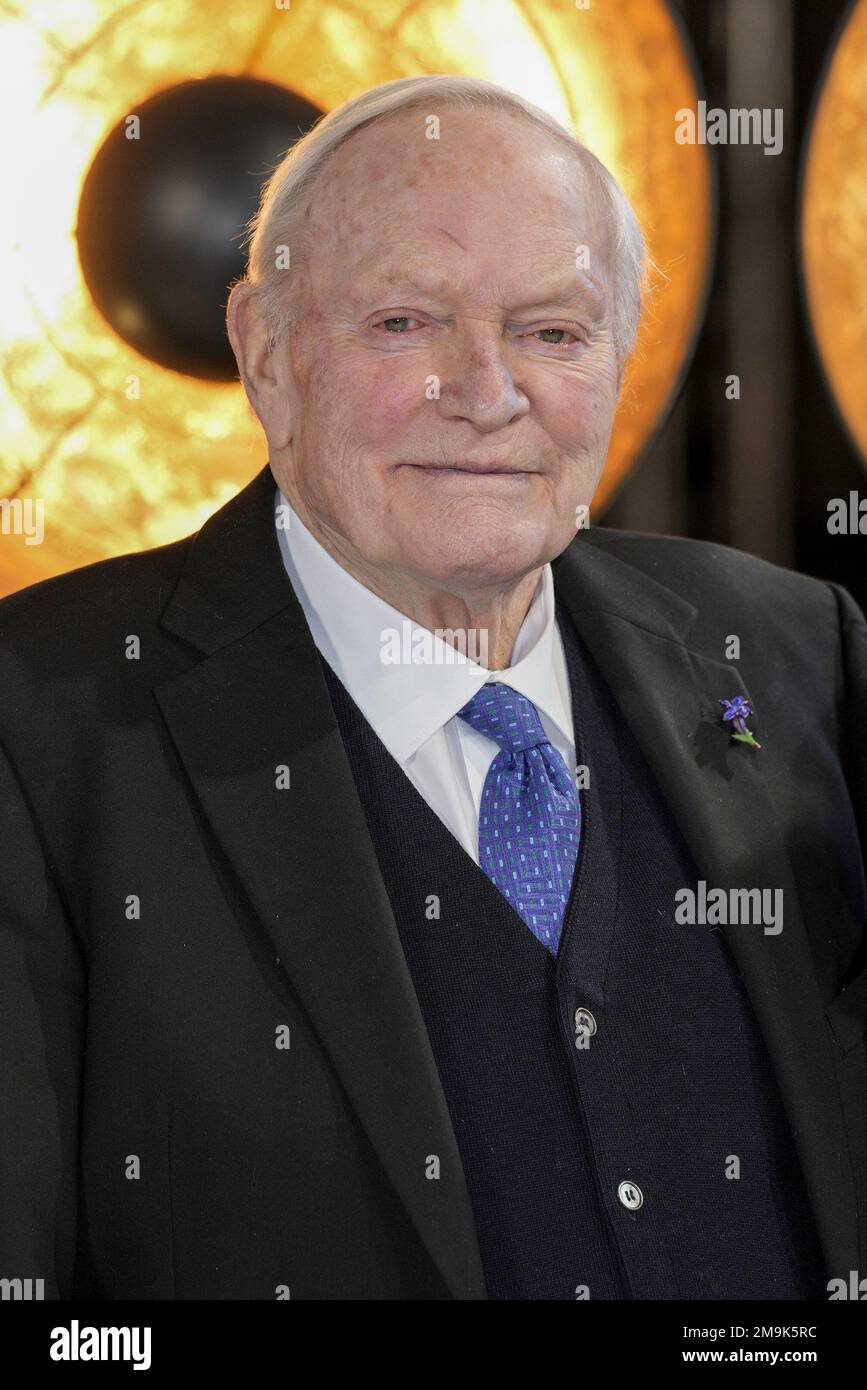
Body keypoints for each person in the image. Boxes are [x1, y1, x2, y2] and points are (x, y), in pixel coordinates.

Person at [1, 74, 865, 1301]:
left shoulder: (798, 654)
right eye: (405, 323)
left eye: (552, 332)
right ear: (264, 353)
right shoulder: (37, 725)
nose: (485, 390)